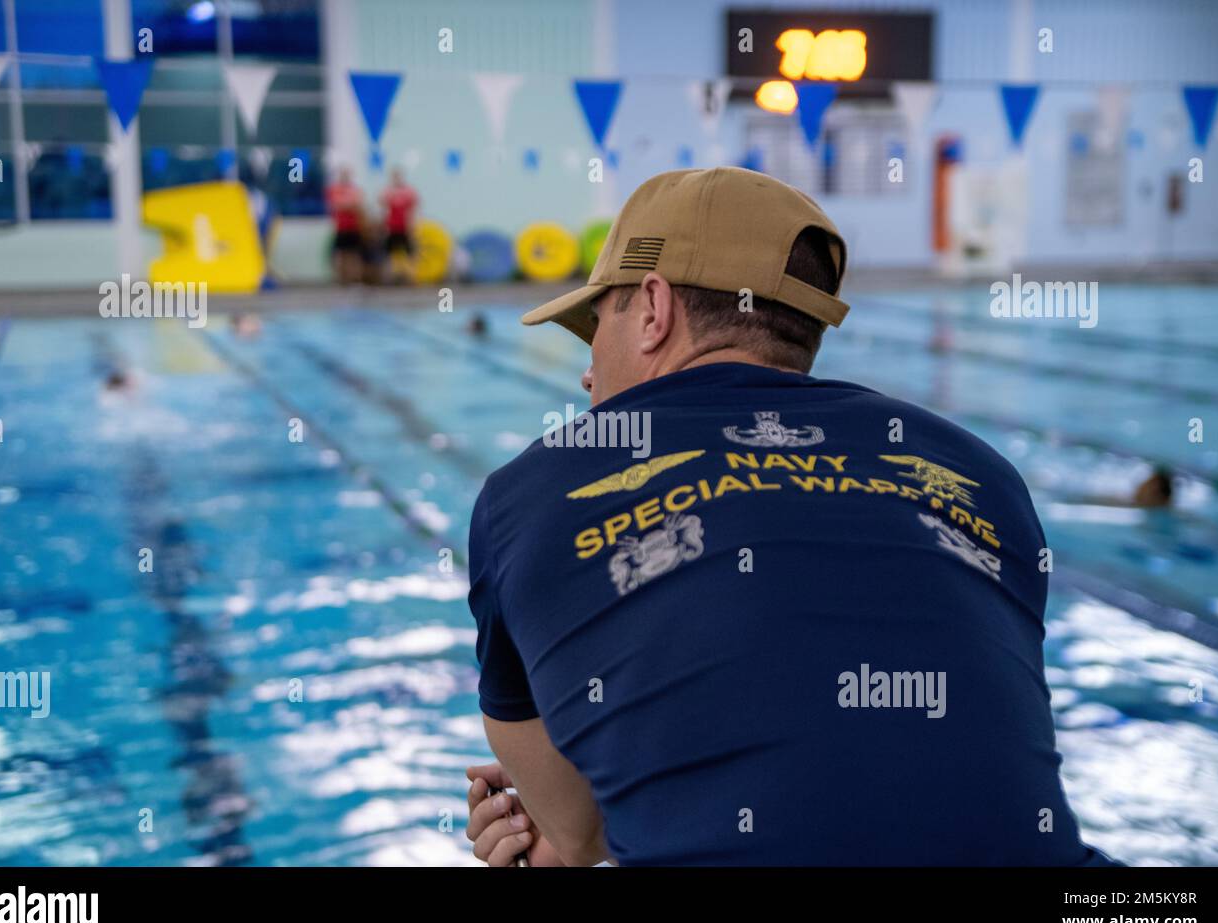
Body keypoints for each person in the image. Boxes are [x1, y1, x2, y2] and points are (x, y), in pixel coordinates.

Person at [464, 167, 1116, 867]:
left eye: (596, 324)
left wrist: (547, 839)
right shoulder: (979, 472)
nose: (588, 372)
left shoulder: (531, 492)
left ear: (654, 309)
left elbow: (578, 835)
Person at [325, 167, 364, 283]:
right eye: (343, 174)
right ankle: (343, 279)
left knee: (354, 254)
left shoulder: (355, 189)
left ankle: (355, 279)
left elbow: (357, 205)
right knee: (340, 255)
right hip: (341, 227)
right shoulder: (334, 189)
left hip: (354, 227)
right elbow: (335, 205)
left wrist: (346, 205)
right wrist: (348, 205)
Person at [379, 167, 419, 283]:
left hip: (405, 228)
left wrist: (412, 226)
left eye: (398, 176)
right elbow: (383, 209)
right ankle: (390, 278)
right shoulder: (387, 191)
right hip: (392, 228)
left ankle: (411, 277)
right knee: (389, 254)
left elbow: (413, 211)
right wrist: (384, 225)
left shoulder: (409, 191)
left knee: (410, 254)